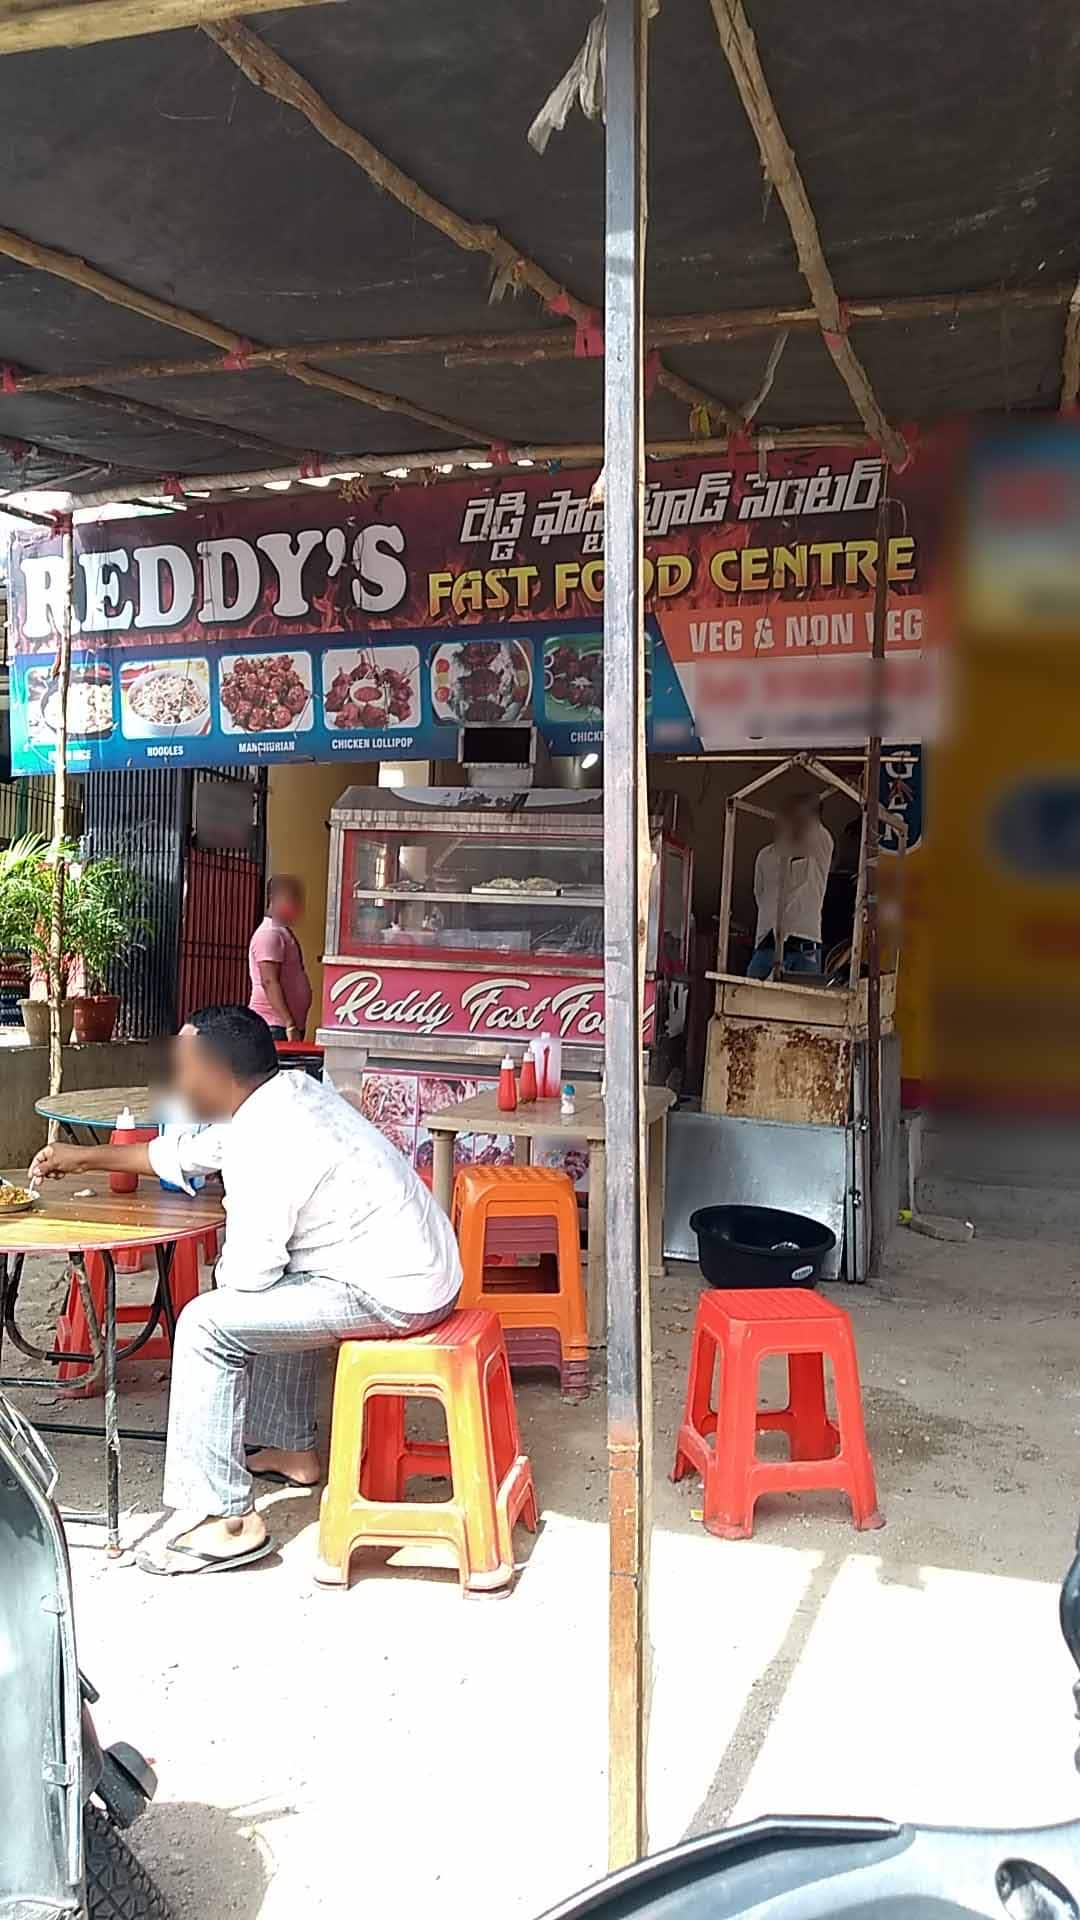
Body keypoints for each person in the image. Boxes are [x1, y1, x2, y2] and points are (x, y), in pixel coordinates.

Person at [29, 1006, 461, 1577]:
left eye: (182, 1069)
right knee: (264, 1293)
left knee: (208, 1325)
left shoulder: (267, 1138)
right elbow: (181, 1156)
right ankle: (291, 1449)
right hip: (413, 1268)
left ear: (215, 1071)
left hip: (393, 1292)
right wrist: (80, 1156)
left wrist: (221, 1286)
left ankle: (226, 1519)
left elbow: (249, 1279)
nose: (176, 1083)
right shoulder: (282, 1096)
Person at [746, 793, 833, 980]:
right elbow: (760, 894)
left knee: (801, 1005)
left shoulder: (819, 847)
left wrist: (807, 810)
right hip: (767, 945)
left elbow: (812, 824)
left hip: (804, 948)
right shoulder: (765, 856)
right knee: (750, 1001)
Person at [248, 875, 311, 1041]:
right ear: (273, 898)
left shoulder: (281, 931)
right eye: (290, 898)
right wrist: (289, 1022)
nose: (296, 904)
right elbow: (269, 982)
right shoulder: (269, 934)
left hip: (284, 1025)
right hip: (274, 1025)